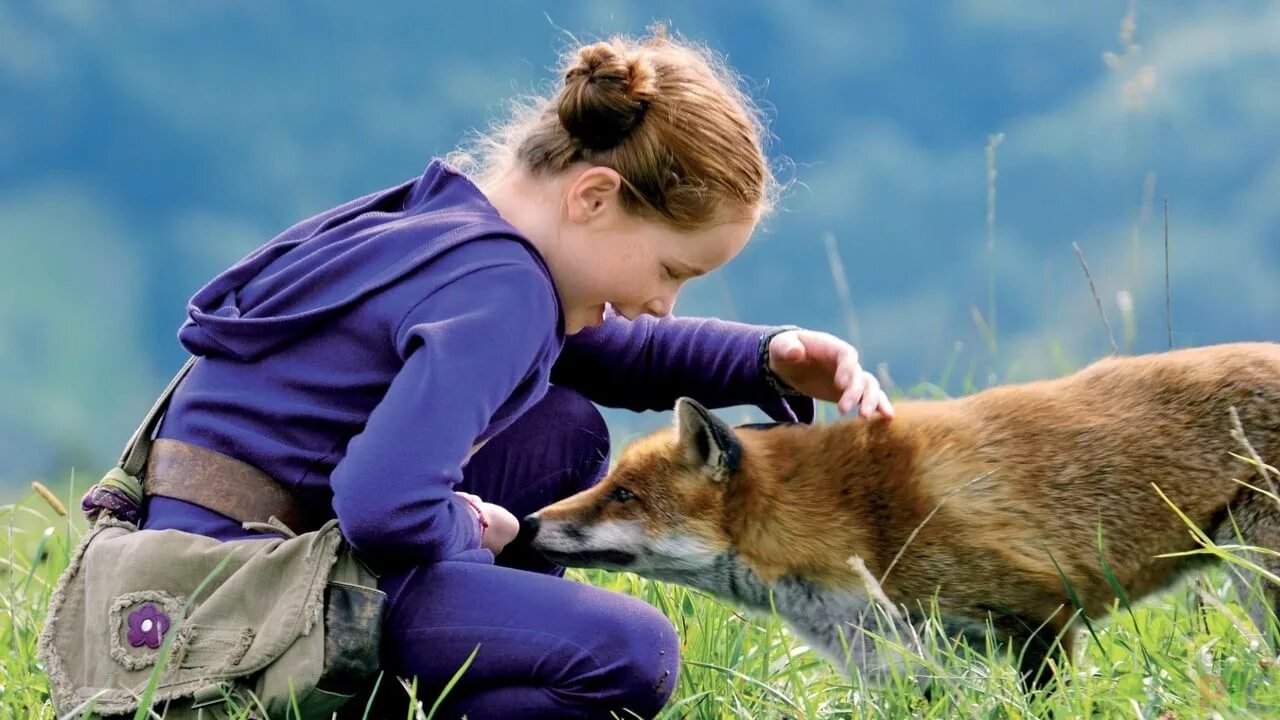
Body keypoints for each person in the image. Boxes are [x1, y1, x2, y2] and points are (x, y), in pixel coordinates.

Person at [101, 29, 893, 719]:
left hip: (178, 586)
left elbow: (603, 351)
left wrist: (770, 356)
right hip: (248, 606)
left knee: (561, 431)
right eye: (670, 270)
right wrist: (477, 531)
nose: (662, 304)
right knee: (631, 653)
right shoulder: (503, 291)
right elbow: (382, 507)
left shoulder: (451, 226)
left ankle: (433, 671)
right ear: (593, 197)